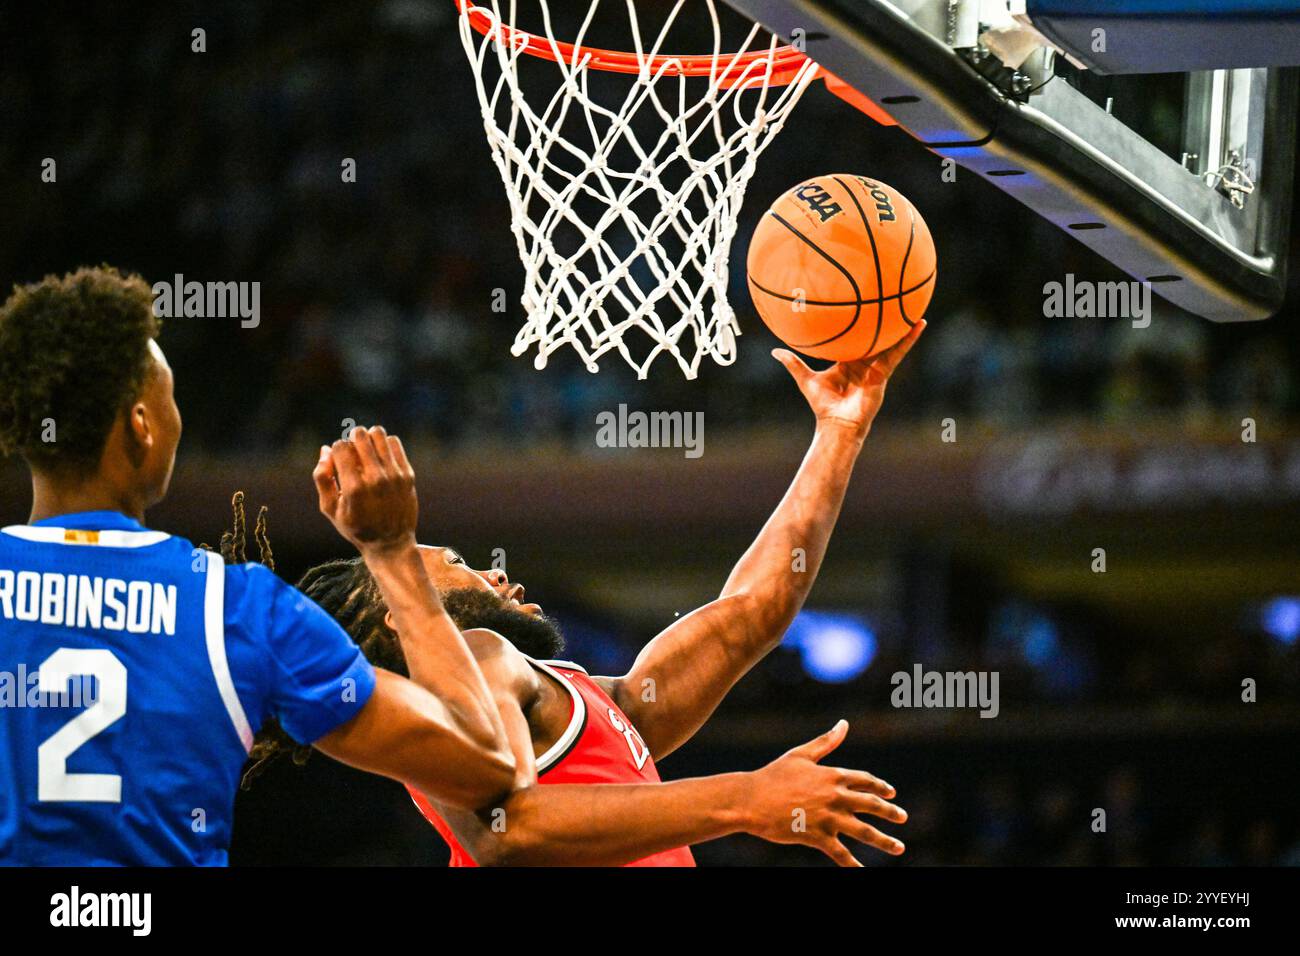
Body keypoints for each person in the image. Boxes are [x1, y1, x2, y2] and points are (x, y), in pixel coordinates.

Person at [251, 322, 926, 866]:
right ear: (396, 621)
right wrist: (747, 797)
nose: (493, 574)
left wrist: (839, 434)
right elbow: (506, 832)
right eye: (453, 564)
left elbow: (750, 616)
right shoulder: (476, 665)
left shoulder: (578, 701)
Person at [0, 266, 515, 865]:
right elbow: (484, 766)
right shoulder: (237, 606)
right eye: (170, 400)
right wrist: (392, 549)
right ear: (141, 426)